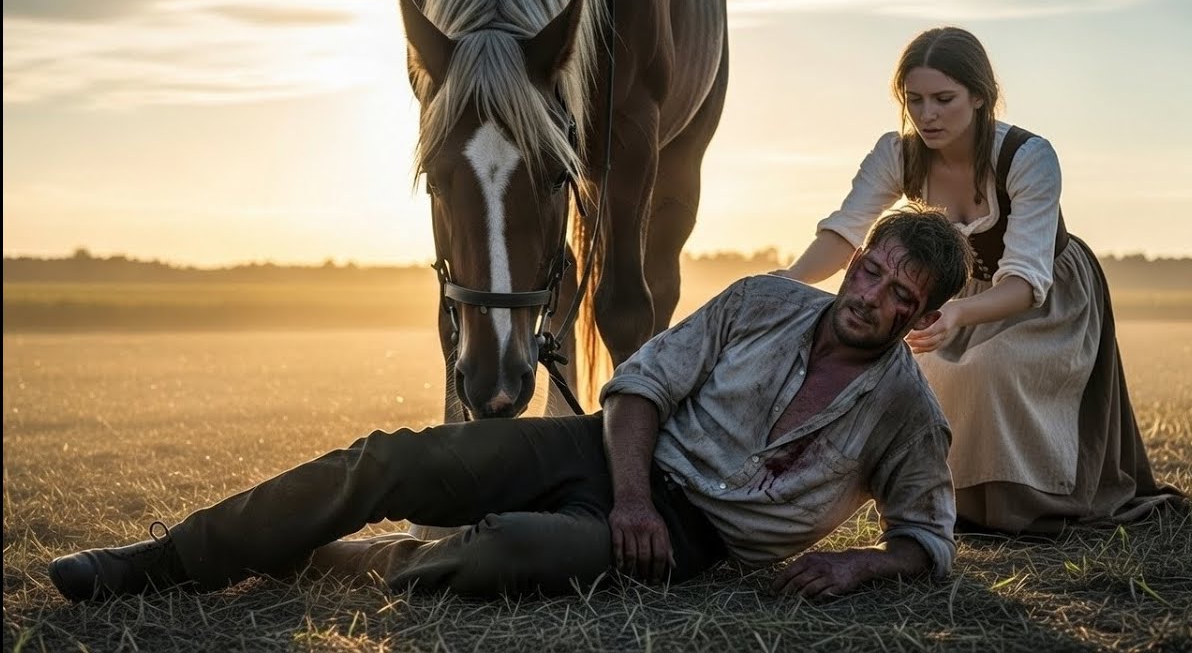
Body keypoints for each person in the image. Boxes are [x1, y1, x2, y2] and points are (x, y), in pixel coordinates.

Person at [48, 205, 973, 603]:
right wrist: (631, 494)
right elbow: (642, 385)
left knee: (505, 553)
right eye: (872, 268)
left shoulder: (904, 414)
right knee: (394, 458)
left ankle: (368, 561)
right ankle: (159, 562)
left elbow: (928, 540)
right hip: (607, 458)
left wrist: (860, 570)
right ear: (854, 261)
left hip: (693, 539)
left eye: (900, 293)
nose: (871, 294)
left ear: (922, 316)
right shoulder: (764, 299)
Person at [778, 26, 1179, 534]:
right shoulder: (897, 154)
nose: (927, 115)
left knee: (987, 368)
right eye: (915, 100)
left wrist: (959, 313)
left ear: (980, 97)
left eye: (944, 99)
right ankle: (943, 501)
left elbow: (1025, 279)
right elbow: (844, 232)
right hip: (958, 297)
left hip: (1046, 295)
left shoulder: (1029, 158)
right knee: (922, 373)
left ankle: (1022, 503)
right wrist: (788, 281)